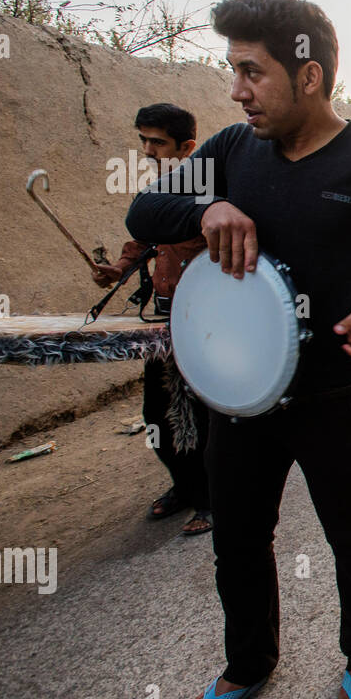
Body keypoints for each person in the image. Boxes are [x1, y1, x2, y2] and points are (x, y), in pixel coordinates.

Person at [126, 0, 351, 699]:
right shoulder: (236, 151)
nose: (236, 91)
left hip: (332, 392)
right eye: (232, 70)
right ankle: (247, 664)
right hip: (238, 399)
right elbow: (144, 214)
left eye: (251, 72)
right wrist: (204, 210)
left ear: (309, 75)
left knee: (350, 530)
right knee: (238, 535)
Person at [91, 103, 212, 537]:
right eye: (143, 140)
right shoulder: (158, 193)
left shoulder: (214, 192)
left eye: (157, 141)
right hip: (164, 326)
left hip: (207, 323)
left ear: (187, 147)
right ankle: (185, 485)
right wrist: (119, 270)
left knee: (205, 414)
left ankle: (212, 498)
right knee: (158, 415)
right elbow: (141, 240)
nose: (147, 149)